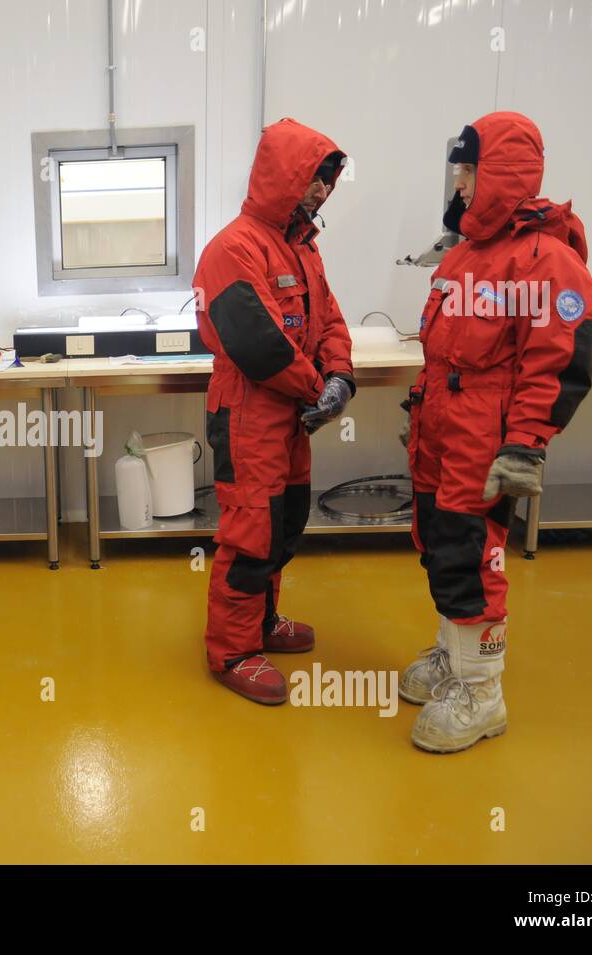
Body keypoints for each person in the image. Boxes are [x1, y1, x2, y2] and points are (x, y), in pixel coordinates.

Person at [399, 111, 592, 752]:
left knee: (472, 554)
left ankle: (483, 692)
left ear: (500, 174)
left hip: (484, 439)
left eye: (468, 173)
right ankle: (452, 657)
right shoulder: (462, 255)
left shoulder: (544, 260)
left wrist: (526, 443)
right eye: (457, 173)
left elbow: (558, 360)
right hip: (439, 430)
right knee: (437, 543)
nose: (458, 187)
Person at [194, 118, 355, 705]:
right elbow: (261, 347)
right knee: (250, 532)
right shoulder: (232, 249)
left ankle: (263, 623)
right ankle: (232, 650)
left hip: (291, 414)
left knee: (286, 523)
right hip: (249, 414)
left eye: (328, 183)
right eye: (315, 179)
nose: (322, 192)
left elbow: (330, 321)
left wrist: (340, 377)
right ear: (284, 175)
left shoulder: (304, 247)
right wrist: (320, 389)